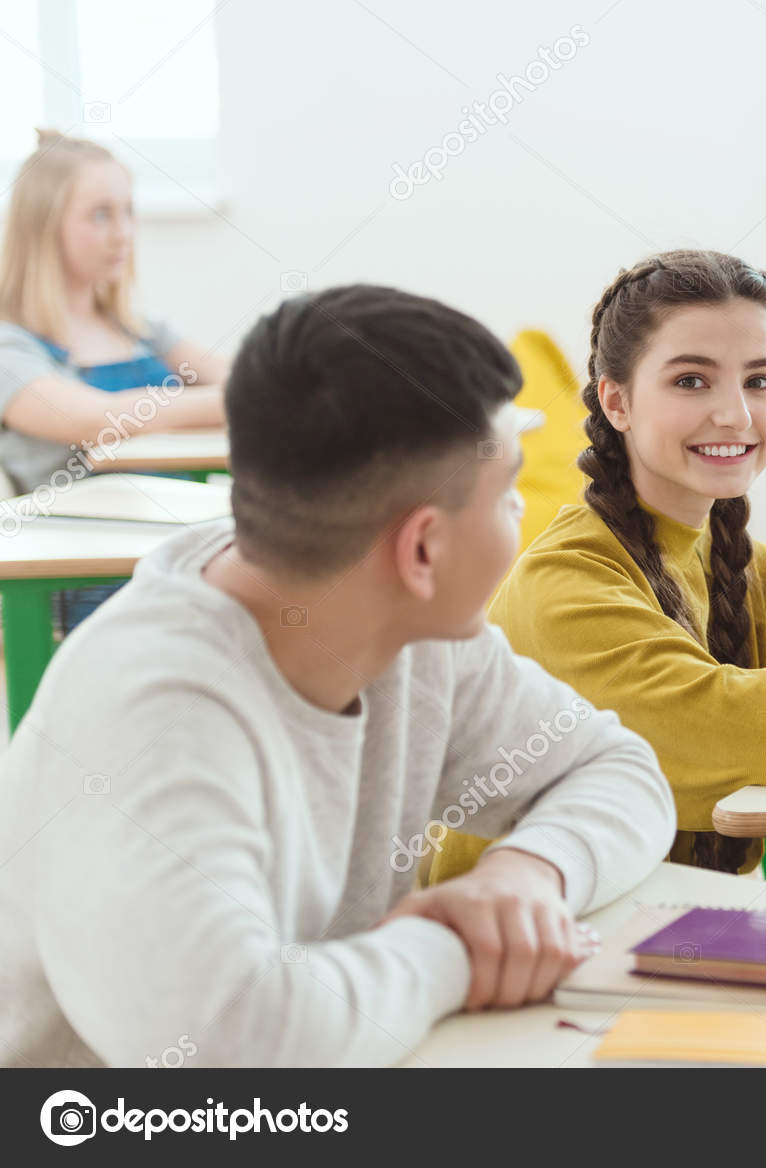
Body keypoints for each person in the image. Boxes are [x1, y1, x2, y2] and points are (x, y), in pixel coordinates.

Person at [0, 285, 676, 1066]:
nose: (523, 514)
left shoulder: (419, 638)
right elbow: (234, 1045)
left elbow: (617, 768)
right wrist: (451, 950)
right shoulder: (156, 709)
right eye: (509, 494)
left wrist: (526, 877)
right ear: (421, 551)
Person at [428, 249, 766, 889]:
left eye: (759, 380)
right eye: (691, 381)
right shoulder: (567, 589)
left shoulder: (731, 557)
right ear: (616, 402)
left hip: (663, 915)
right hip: (519, 948)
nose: (736, 415)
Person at [0, 130, 230, 628]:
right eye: (100, 214)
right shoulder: (10, 347)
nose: (122, 233)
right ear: (42, 228)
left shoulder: (138, 328)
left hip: (177, 553)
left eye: (127, 211)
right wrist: (243, 397)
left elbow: (233, 375)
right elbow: (97, 418)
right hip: (84, 582)